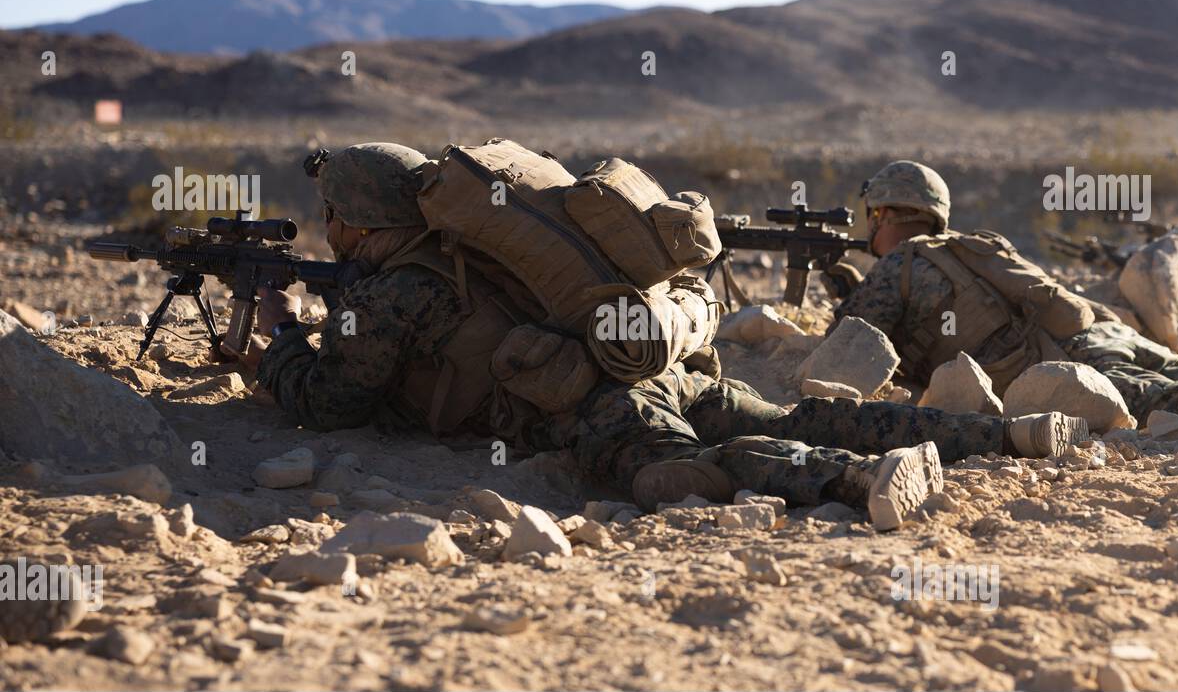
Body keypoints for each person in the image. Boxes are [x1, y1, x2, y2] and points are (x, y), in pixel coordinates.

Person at [244, 143, 1085, 530]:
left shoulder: (392, 293)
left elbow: (332, 403)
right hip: (656, 357)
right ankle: (1001, 432)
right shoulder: (478, 250)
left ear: (349, 221)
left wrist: (277, 339)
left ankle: (860, 480)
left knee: (693, 468)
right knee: (790, 416)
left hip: (595, 403)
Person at [836, 160, 1178, 430]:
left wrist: (842, 291)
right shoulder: (971, 246)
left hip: (1074, 364)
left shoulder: (900, 265)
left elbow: (848, 350)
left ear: (886, 213)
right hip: (1104, 331)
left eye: (873, 214)